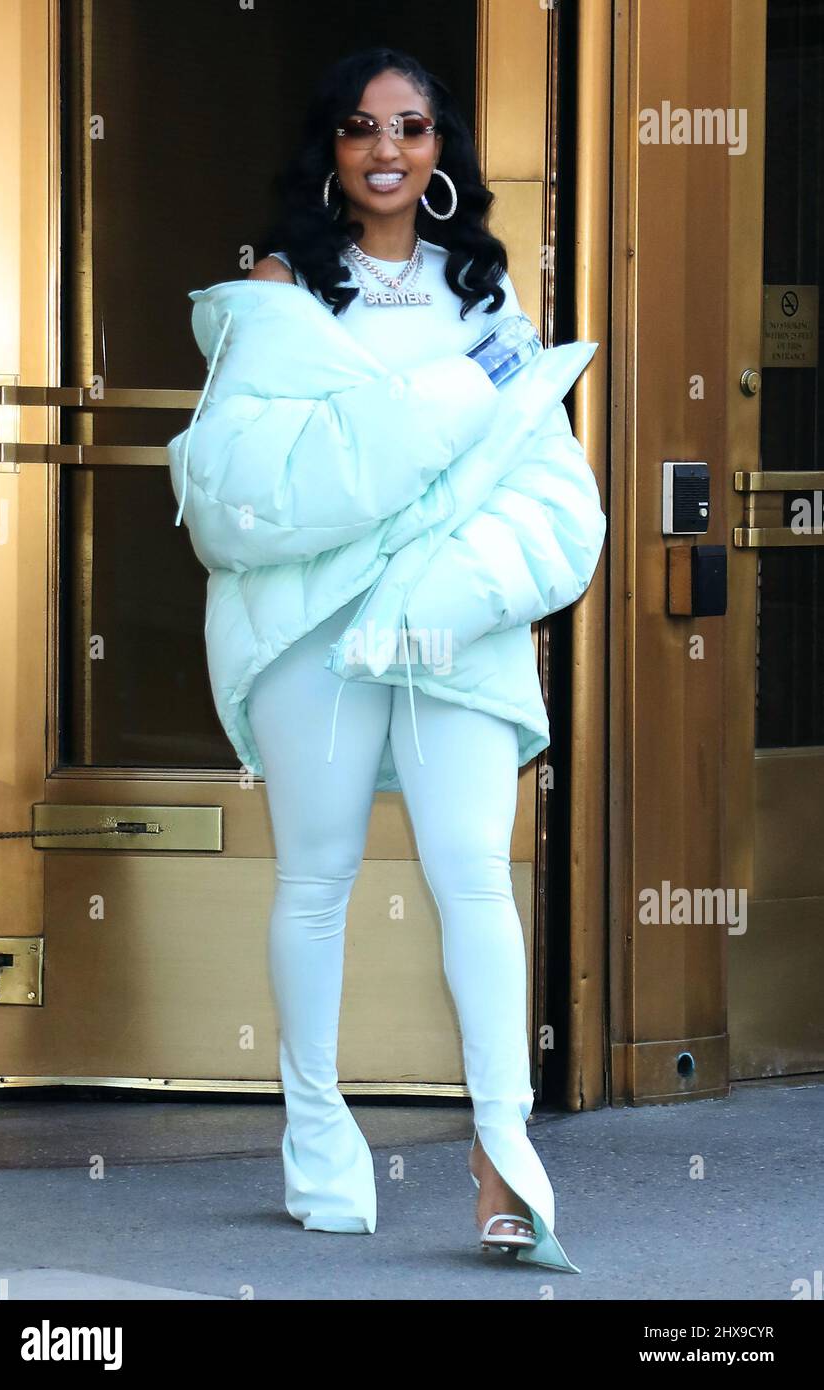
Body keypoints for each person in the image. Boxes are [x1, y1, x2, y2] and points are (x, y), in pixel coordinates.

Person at [168, 46, 606, 1271]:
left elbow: (536, 472)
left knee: (474, 874)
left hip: (445, 620)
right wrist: (427, 432)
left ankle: (504, 1160)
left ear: (439, 149)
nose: (387, 151)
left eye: (410, 128)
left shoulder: (483, 296)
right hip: (318, 629)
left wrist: (435, 551)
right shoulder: (280, 288)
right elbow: (252, 485)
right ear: (333, 150)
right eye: (362, 129)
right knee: (315, 876)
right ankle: (315, 1139)